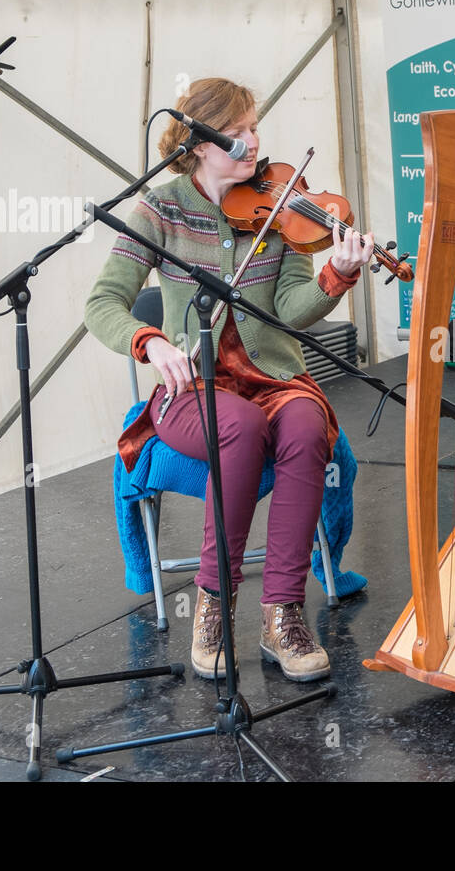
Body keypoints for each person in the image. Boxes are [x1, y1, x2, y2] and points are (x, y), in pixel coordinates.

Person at [85, 77, 373, 682]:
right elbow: (104, 303)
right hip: (191, 388)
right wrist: (151, 340)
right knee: (235, 425)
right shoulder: (160, 207)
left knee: (304, 419)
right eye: (236, 132)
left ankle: (283, 613)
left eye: (253, 128)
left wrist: (336, 277)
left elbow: (289, 307)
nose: (251, 143)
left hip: (272, 376)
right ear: (197, 142)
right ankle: (214, 603)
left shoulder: (281, 206)